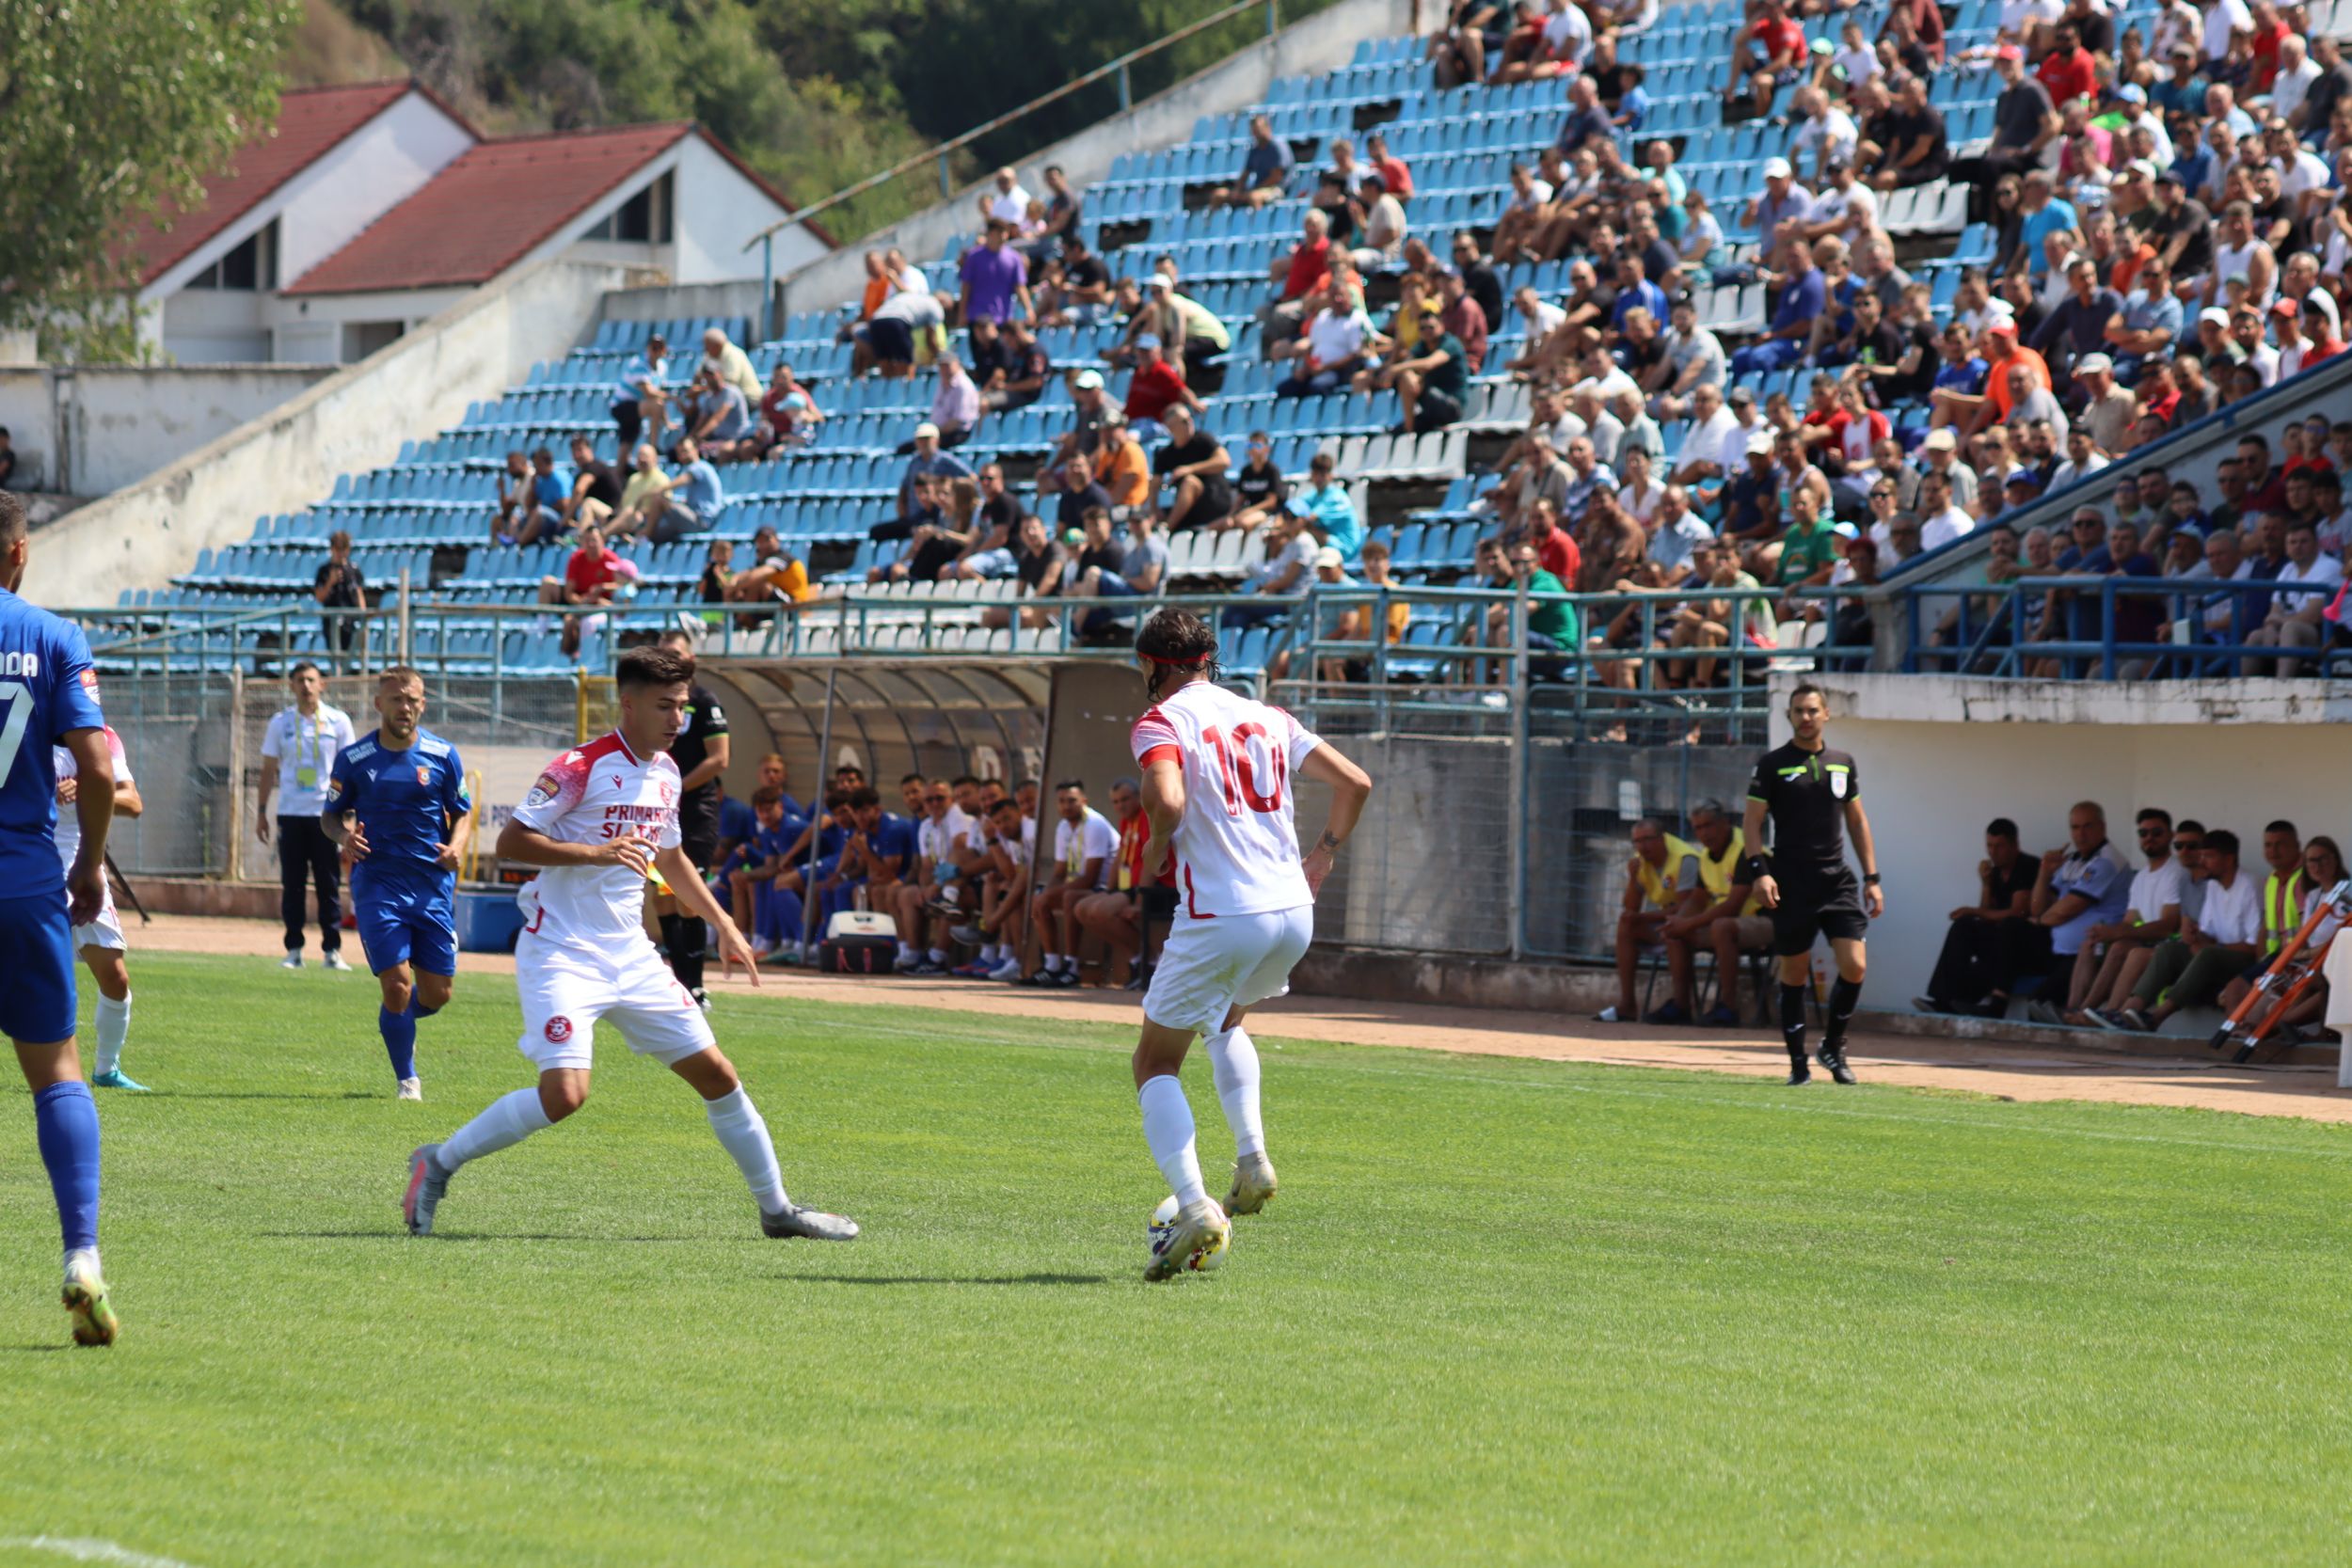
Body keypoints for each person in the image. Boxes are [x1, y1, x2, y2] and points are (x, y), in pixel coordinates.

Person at [404, 647, 858, 1244]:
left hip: (632, 955)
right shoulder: (579, 765)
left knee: (719, 1075)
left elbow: (670, 858)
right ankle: (437, 1162)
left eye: (683, 707)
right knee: (565, 1095)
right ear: (629, 703)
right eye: (666, 706)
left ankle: (777, 1211)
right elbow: (511, 842)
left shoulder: (667, 772)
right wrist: (595, 852)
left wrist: (723, 922)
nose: (678, 720)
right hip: (563, 951)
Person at [1125, 608, 1373, 1280]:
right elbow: (1355, 782)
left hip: (1223, 913)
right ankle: (1252, 1158)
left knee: (1154, 1062)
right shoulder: (1269, 715)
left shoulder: (1160, 721)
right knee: (1227, 1020)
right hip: (1292, 911)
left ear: (1150, 664)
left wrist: (1154, 849)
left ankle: (1194, 1206)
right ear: (1210, 659)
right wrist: (1324, 853)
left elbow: (1168, 801)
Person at [0, 490, 121, 1343]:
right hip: (22, 884)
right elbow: (98, 769)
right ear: (19, 551)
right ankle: (82, 1253)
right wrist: (88, 865)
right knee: (57, 1073)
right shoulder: (52, 636)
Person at [324, 668, 473, 1102]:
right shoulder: (355, 759)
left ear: (423, 704)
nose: (404, 707)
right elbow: (329, 816)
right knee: (396, 984)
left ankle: (397, 1017)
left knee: (438, 994)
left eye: (412, 700)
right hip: (378, 886)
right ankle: (408, 1080)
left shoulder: (443, 755)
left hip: (431, 886)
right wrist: (344, 837)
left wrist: (456, 846)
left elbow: (462, 812)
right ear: (379, 704)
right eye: (396, 699)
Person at [1742, 684, 1883, 1085]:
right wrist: (1760, 872)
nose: (1805, 717)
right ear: (1789, 716)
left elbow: (1857, 821)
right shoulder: (1772, 764)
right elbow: (1752, 823)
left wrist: (1872, 878)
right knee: (1794, 972)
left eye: (1812, 710)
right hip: (1791, 880)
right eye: (1798, 711)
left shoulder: (1843, 763)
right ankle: (1798, 1064)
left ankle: (1833, 1047)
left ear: (1826, 714)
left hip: (1836, 880)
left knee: (1855, 965)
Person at [51, 723, 147, 1090]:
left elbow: (133, 802)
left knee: (115, 977)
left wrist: (87, 790)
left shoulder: (101, 736)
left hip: (83, 871)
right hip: (31, 866)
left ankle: (106, 1070)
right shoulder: (25, 729)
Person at [257, 661, 358, 972]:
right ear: (291, 686)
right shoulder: (281, 722)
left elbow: (350, 770)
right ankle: (294, 950)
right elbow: (268, 770)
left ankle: (332, 951)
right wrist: (261, 812)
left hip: (326, 815)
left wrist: (349, 814)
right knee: (293, 884)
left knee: (328, 884)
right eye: (300, 680)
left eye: (312, 680)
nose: (306, 686)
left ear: (322, 684)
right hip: (290, 813)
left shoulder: (338, 721)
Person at [654, 629, 730, 1008]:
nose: (671, 661)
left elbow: (720, 759)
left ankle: (695, 986)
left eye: (677, 654)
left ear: (691, 659)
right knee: (663, 895)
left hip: (695, 811)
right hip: (658, 809)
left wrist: (676, 787)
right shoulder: (652, 703)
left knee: (688, 894)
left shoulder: (704, 701)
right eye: (664, 654)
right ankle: (678, 981)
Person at [1915, 817, 2041, 1014]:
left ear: (2014, 845)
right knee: (1963, 925)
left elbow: (2019, 912)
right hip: (2001, 945)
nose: (1992, 852)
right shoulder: (1995, 872)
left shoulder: (2028, 866)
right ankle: (1942, 999)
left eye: (1999, 846)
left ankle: (1993, 1006)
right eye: (1989, 846)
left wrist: (1972, 910)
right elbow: (1985, 916)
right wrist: (1986, 884)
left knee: (2009, 925)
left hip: (2026, 946)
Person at [1596, 818, 1696, 1024]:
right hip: (1663, 920)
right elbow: (1631, 907)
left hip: (1690, 922)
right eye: (1637, 842)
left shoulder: (1685, 859)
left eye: (1648, 840)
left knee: (1673, 930)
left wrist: (1644, 917)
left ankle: (1681, 1005)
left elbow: (1686, 908)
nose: (1642, 847)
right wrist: (1633, 878)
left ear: (1662, 839)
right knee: (1627, 924)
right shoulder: (1640, 862)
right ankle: (1627, 1005)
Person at [1029, 780, 1117, 988]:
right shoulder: (1063, 827)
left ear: (1083, 801)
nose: (1066, 806)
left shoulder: (1095, 824)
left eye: (1072, 800)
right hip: (1082, 886)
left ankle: (1071, 966)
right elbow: (1060, 873)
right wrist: (1045, 894)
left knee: (1069, 897)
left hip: (1107, 887)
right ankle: (1052, 965)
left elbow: (1090, 878)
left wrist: (1050, 895)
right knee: (1039, 898)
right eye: (1062, 801)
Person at [313, 529, 368, 671]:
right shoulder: (324, 570)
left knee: (350, 657)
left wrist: (363, 616)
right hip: (331, 621)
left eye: (344, 549)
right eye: (338, 549)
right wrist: (330, 582)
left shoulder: (353, 570)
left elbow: (359, 593)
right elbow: (319, 597)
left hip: (351, 620)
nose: (341, 553)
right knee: (335, 657)